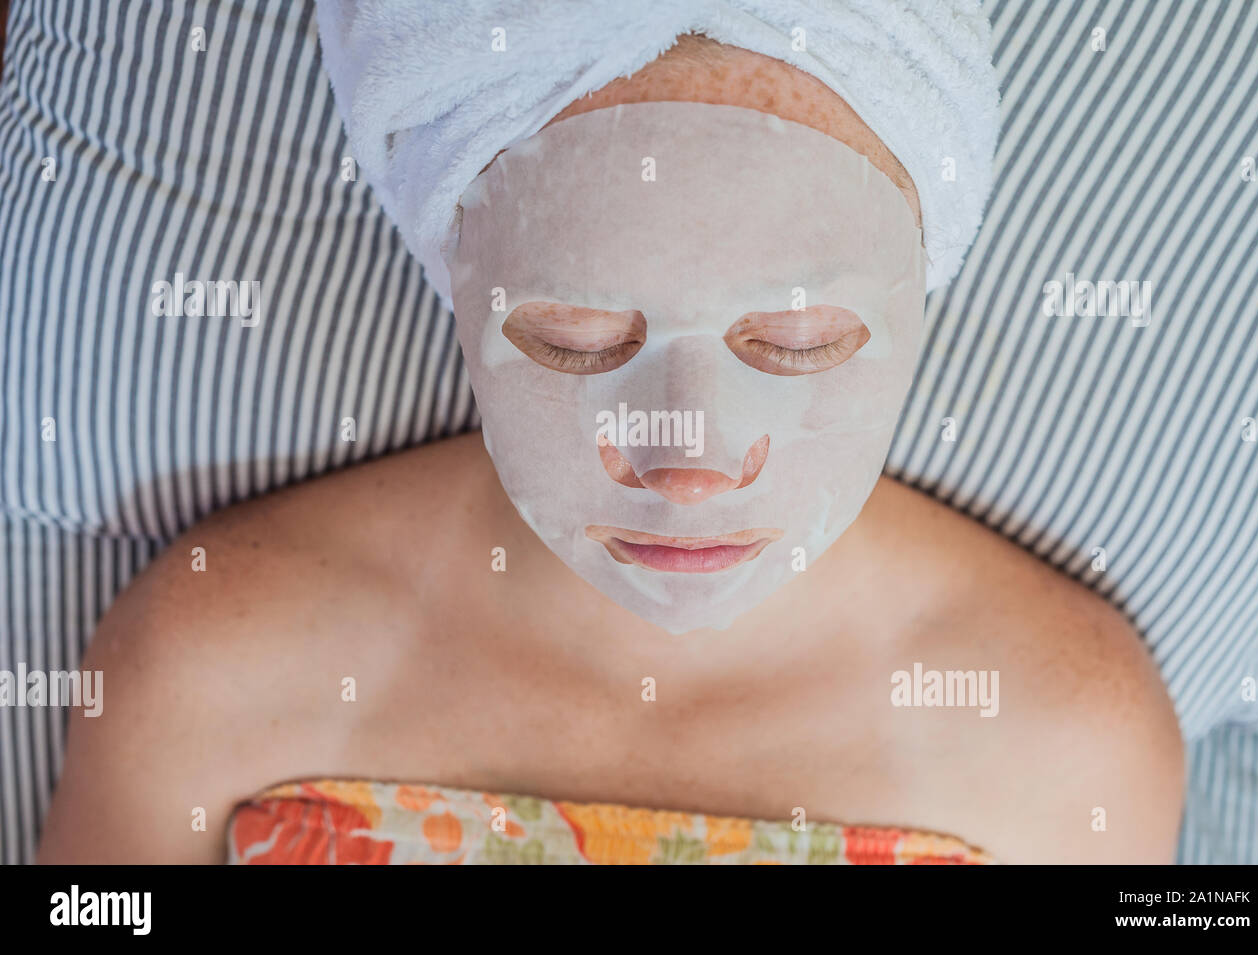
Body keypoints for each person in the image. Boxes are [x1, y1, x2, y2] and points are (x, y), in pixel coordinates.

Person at [37, 34, 1183, 866]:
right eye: (576, 337)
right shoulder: (210, 660)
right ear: (458, 285)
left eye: (796, 341)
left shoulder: (1071, 737)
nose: (690, 460)